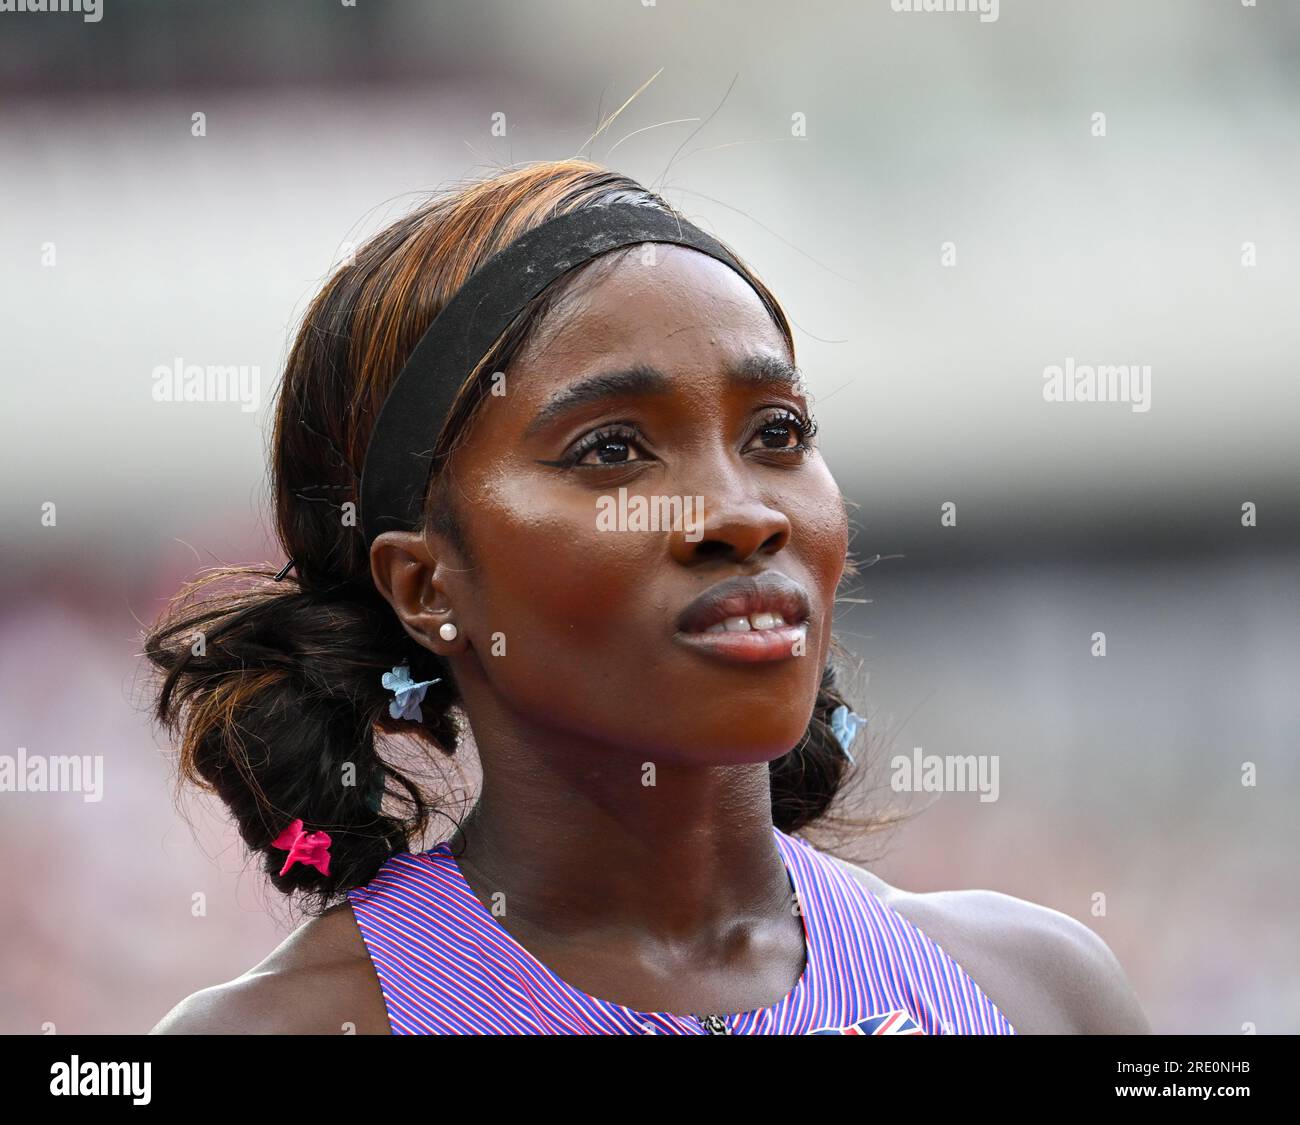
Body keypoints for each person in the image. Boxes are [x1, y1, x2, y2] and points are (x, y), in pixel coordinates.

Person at [144, 159, 1149, 1034]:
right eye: (612, 449)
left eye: (777, 434)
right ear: (424, 582)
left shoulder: (1034, 994)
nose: (743, 513)